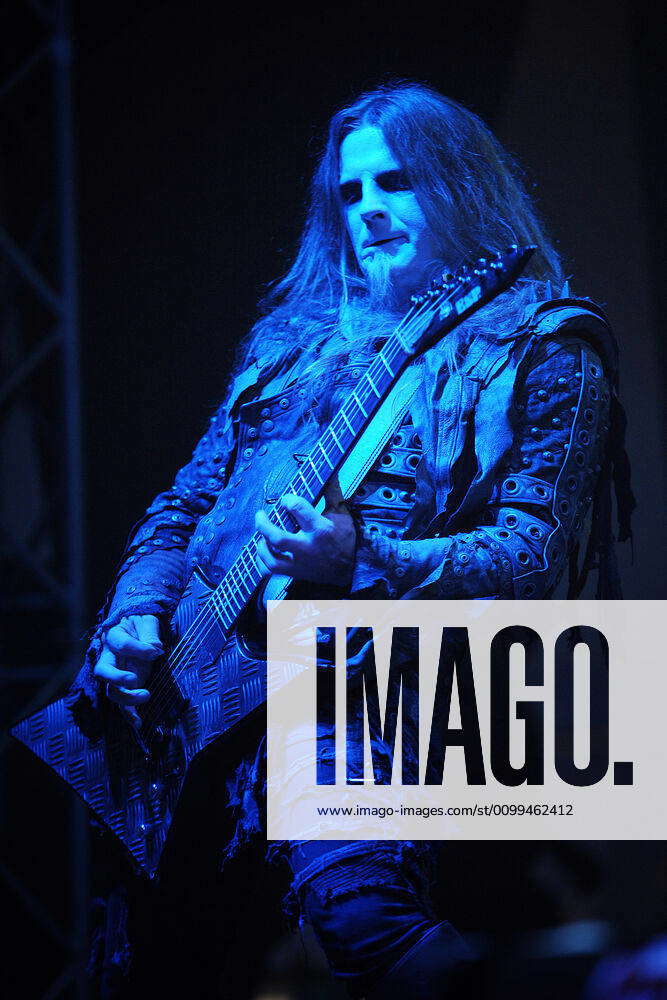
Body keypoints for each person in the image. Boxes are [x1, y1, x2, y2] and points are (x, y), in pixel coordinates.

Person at [85, 82, 633, 998]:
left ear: (461, 187)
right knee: (158, 966)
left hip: (390, 689)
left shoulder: (548, 346)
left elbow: (530, 558)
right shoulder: (287, 348)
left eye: (397, 182)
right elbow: (184, 505)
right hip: (203, 706)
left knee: (360, 913)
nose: (369, 209)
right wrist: (135, 615)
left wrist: (358, 560)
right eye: (350, 191)